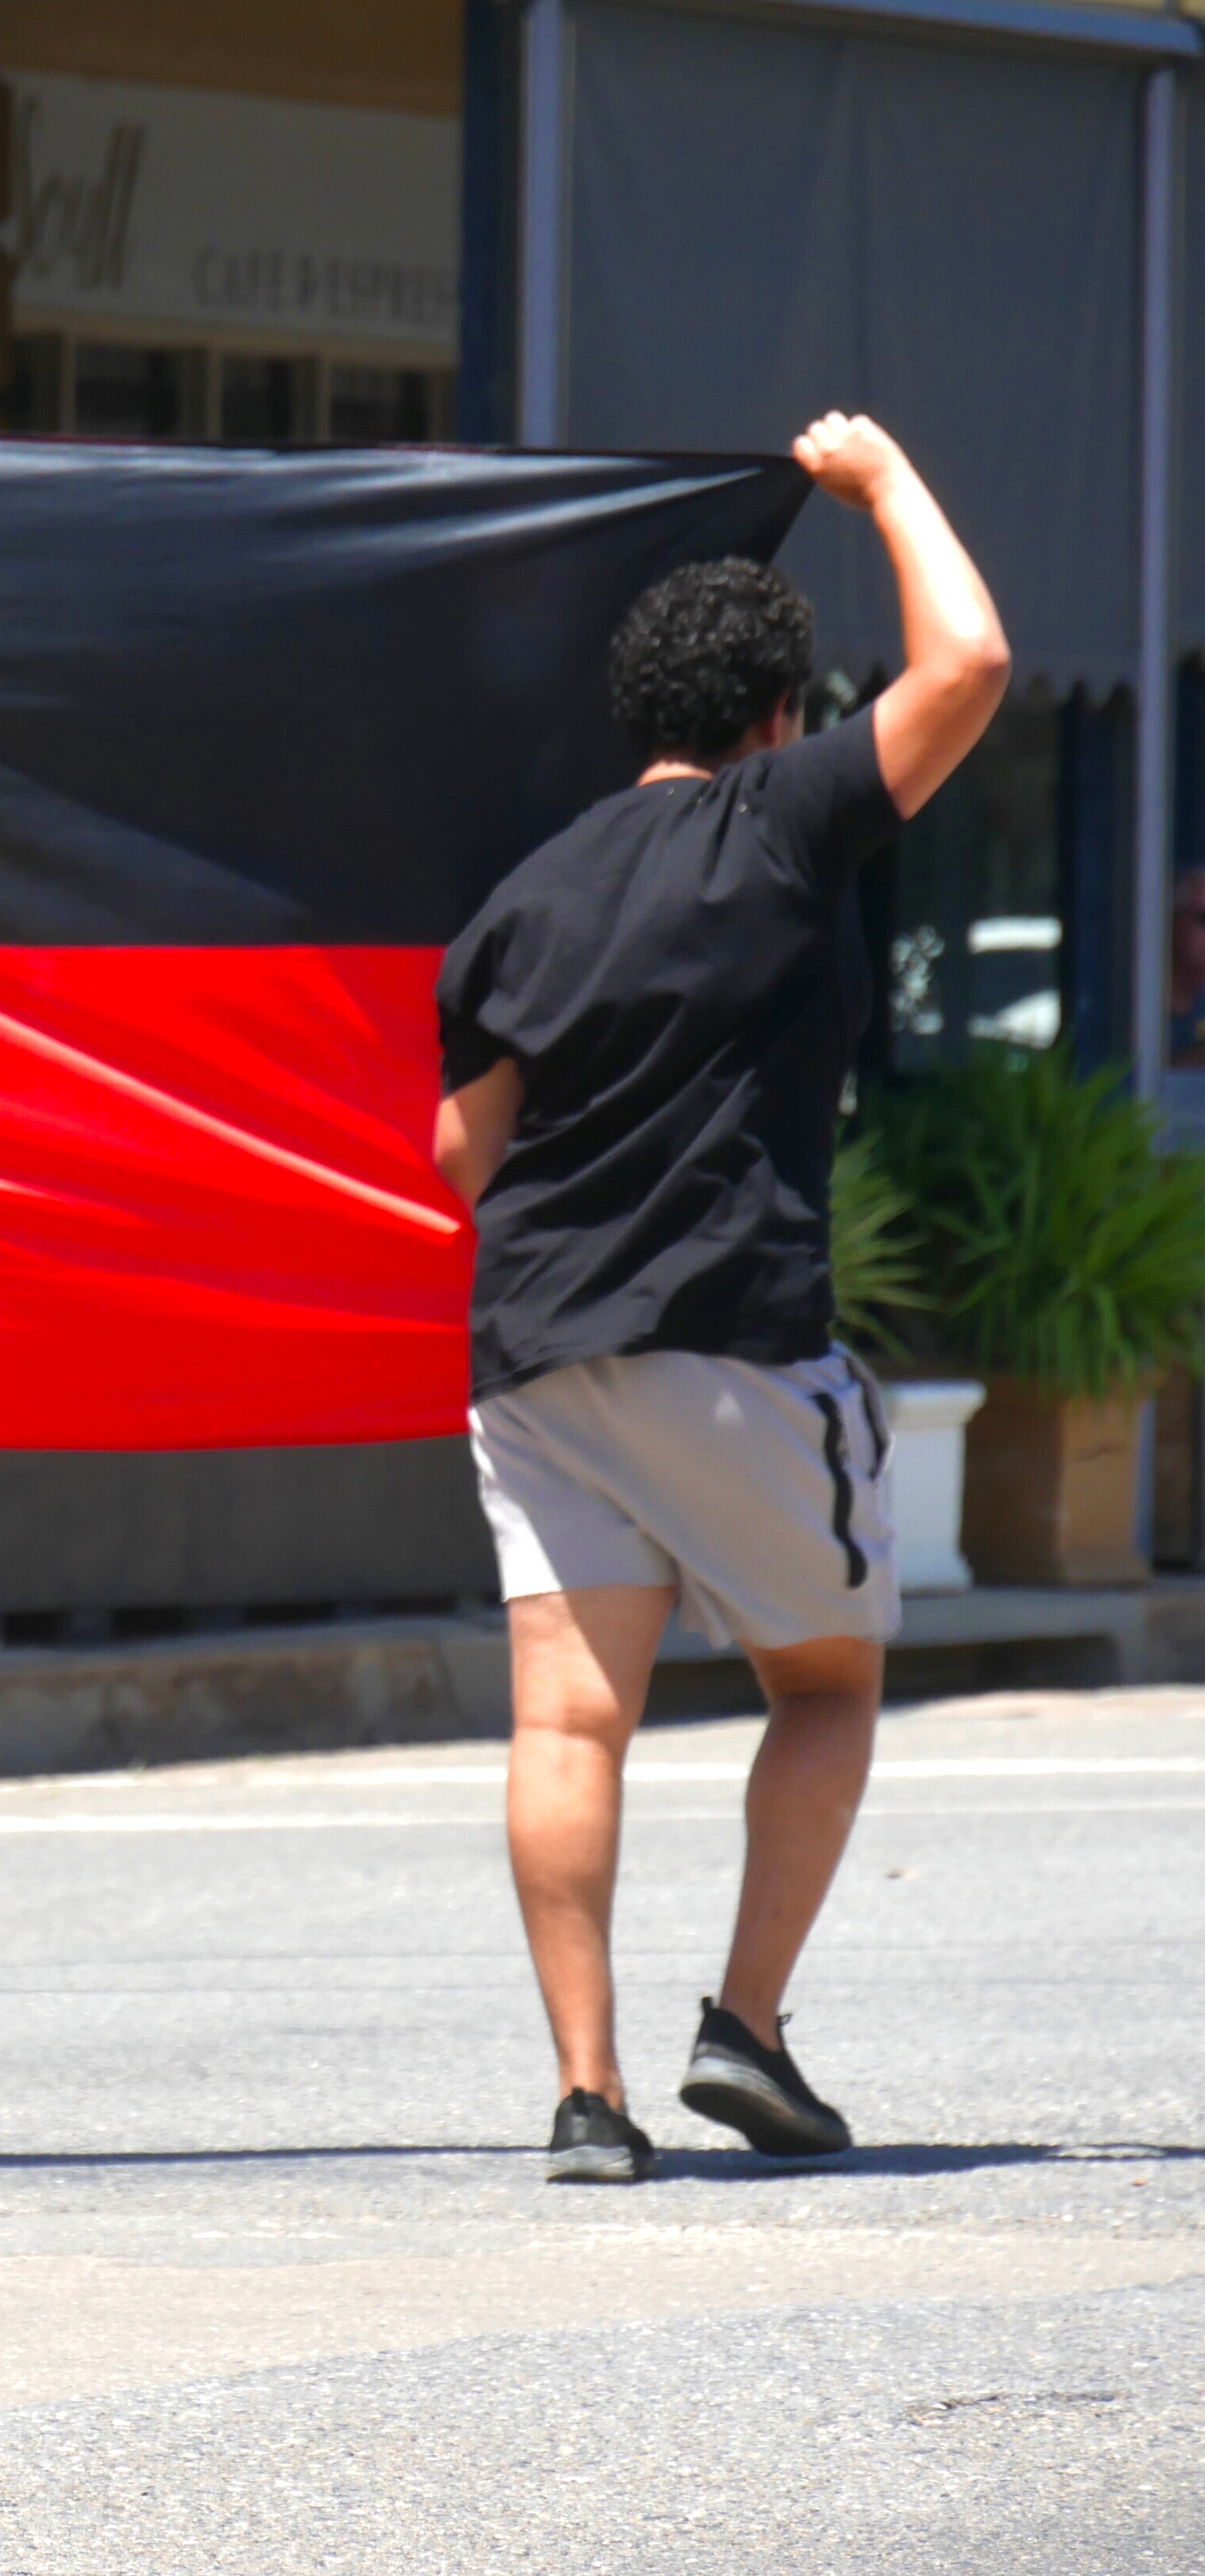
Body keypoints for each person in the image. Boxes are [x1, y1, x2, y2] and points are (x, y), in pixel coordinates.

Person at [432, 413, 1009, 2185]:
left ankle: (587, 2096)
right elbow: (970, 659)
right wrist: (884, 477)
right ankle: (745, 2028)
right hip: (735, 1339)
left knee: (566, 1718)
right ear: (778, 717)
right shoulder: (784, 820)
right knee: (827, 1680)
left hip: (536, 1355)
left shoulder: (522, 897)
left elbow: (462, 1150)